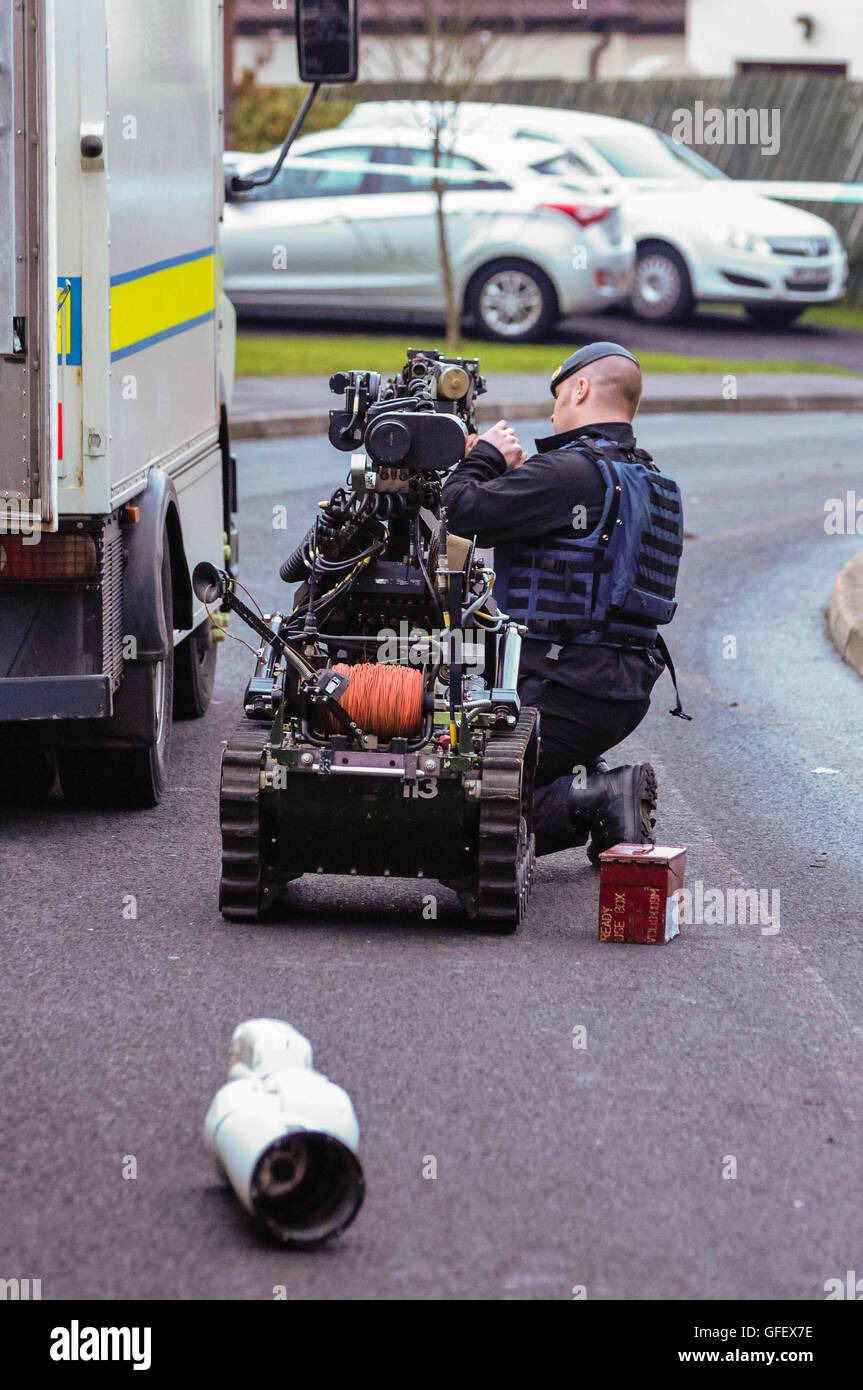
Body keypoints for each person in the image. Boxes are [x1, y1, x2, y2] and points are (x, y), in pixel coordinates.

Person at [441, 341, 688, 861]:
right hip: (618, 688)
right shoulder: (651, 480)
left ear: (579, 388)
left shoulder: (570, 472)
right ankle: (589, 784)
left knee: (458, 802)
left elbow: (461, 512)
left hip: (563, 687)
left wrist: (484, 456)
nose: (552, 412)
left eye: (556, 396)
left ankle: (597, 798)